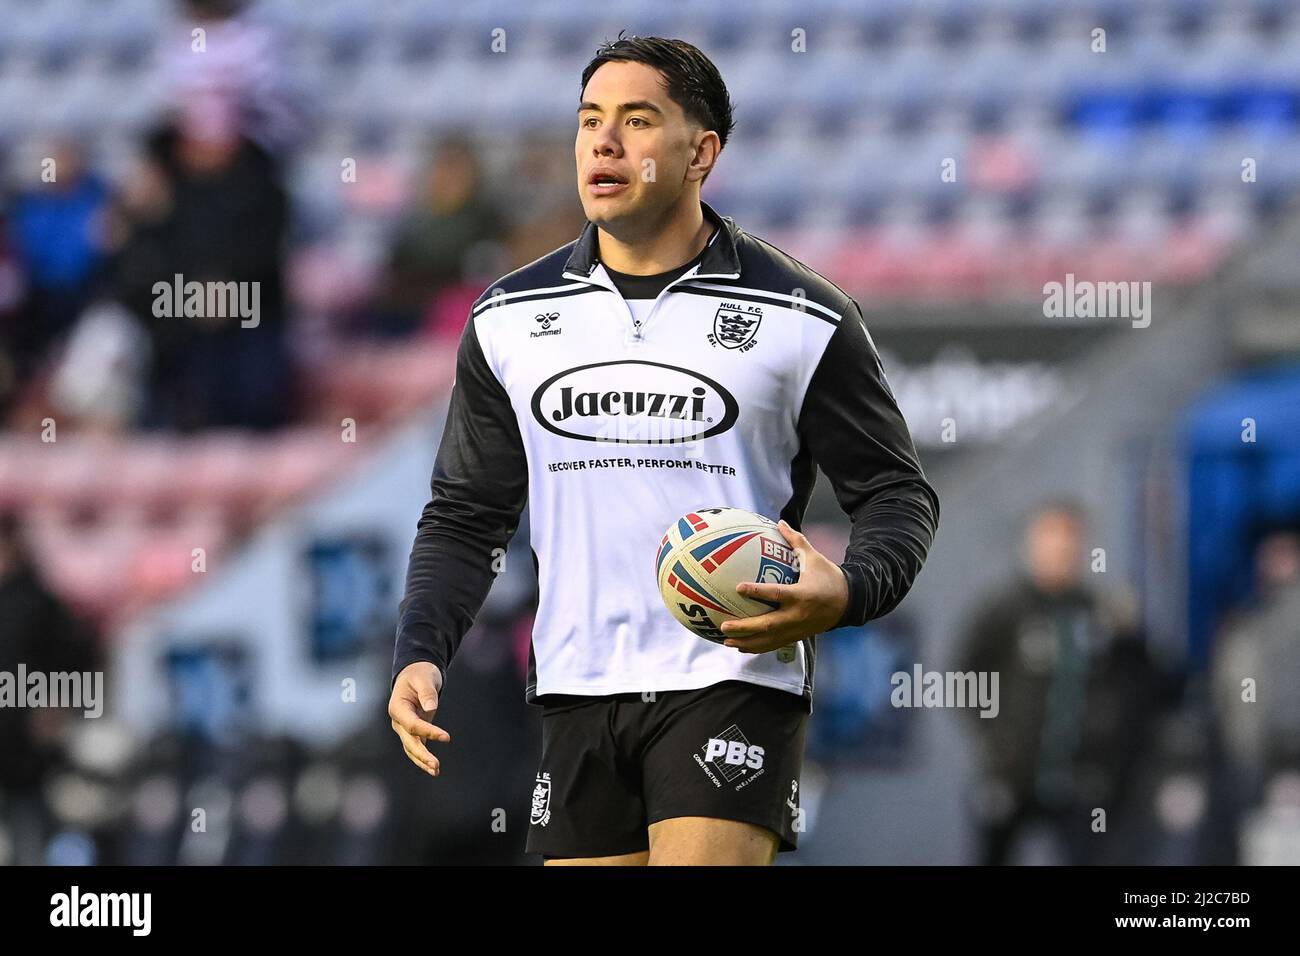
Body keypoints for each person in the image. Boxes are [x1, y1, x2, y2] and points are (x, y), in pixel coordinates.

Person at [387, 35, 939, 865]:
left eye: (637, 121)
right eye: (589, 122)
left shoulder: (804, 315)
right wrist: (421, 648)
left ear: (700, 152)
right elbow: (467, 514)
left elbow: (897, 494)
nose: (603, 143)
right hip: (575, 682)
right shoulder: (506, 320)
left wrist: (850, 591)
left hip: (731, 676)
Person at [956, 501, 1164, 865]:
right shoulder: (1004, 609)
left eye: (1069, 542)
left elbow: (1139, 686)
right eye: (1050, 539)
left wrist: (1132, 636)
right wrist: (999, 741)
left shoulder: (1100, 611)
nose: (1060, 551)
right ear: (1030, 544)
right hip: (1012, 776)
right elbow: (966, 674)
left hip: (1081, 778)